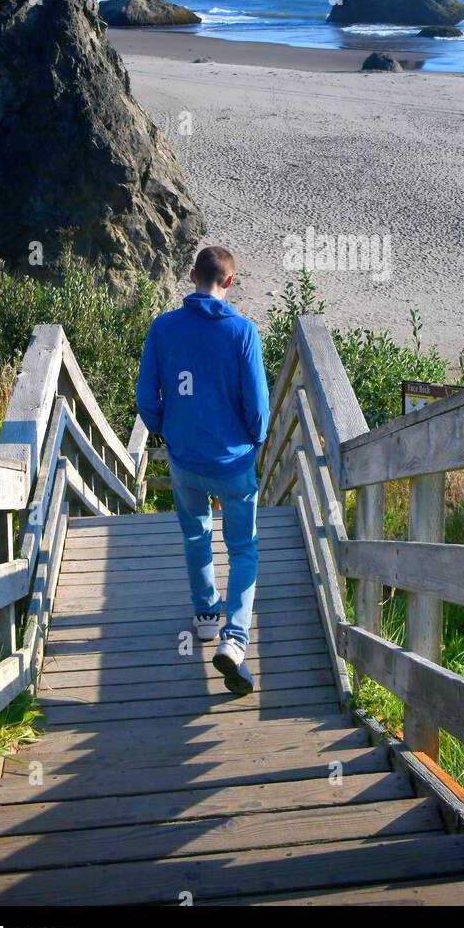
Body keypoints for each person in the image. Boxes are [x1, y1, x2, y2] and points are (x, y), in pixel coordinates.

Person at [135, 245, 269, 695]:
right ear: (229, 282)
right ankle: (234, 641)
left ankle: (206, 617)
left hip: (185, 459)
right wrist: (252, 441)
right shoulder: (243, 332)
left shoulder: (162, 328)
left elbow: (146, 400)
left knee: (196, 534)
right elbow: (258, 409)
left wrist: (169, 432)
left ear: (192, 276)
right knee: (243, 548)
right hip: (233, 462)